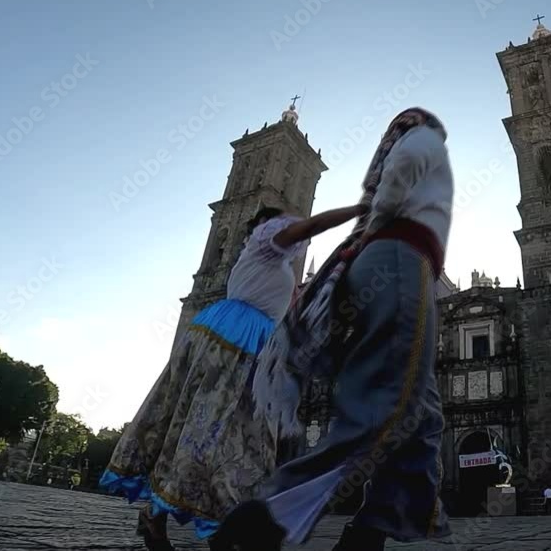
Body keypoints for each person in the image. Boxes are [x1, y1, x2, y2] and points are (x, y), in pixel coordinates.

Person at [213, 107, 453, 551]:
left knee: (423, 414)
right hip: (400, 258)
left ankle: (372, 529)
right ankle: (267, 515)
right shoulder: (422, 139)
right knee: (391, 400)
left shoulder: (398, 153)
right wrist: (377, 224)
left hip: (394, 262)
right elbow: (401, 174)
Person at [98, 204, 363, 551]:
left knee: (239, 440)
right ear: (268, 224)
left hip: (256, 345)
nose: (293, 224)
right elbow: (311, 226)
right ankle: (168, 516)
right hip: (237, 340)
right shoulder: (266, 242)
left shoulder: (277, 265)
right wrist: (362, 209)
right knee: (208, 428)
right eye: (285, 218)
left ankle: (219, 523)